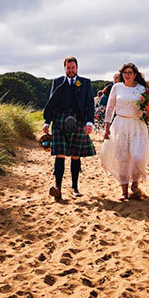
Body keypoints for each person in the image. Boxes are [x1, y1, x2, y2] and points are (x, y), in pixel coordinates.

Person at [42, 56, 95, 200]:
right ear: (64, 68)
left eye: (73, 68)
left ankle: (75, 187)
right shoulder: (58, 81)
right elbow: (51, 103)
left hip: (78, 122)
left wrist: (89, 122)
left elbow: (90, 104)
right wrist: (47, 122)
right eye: (68, 68)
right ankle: (58, 187)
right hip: (59, 121)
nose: (71, 70)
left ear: (77, 67)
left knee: (75, 155)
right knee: (60, 154)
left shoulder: (85, 82)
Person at [99, 62, 149, 202]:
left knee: (137, 155)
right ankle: (124, 192)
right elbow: (110, 109)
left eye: (130, 72)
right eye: (125, 72)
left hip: (137, 125)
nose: (127, 75)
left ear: (135, 75)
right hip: (120, 124)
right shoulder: (117, 87)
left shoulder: (142, 89)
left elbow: (148, 108)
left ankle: (135, 185)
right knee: (122, 158)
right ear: (122, 74)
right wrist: (107, 128)